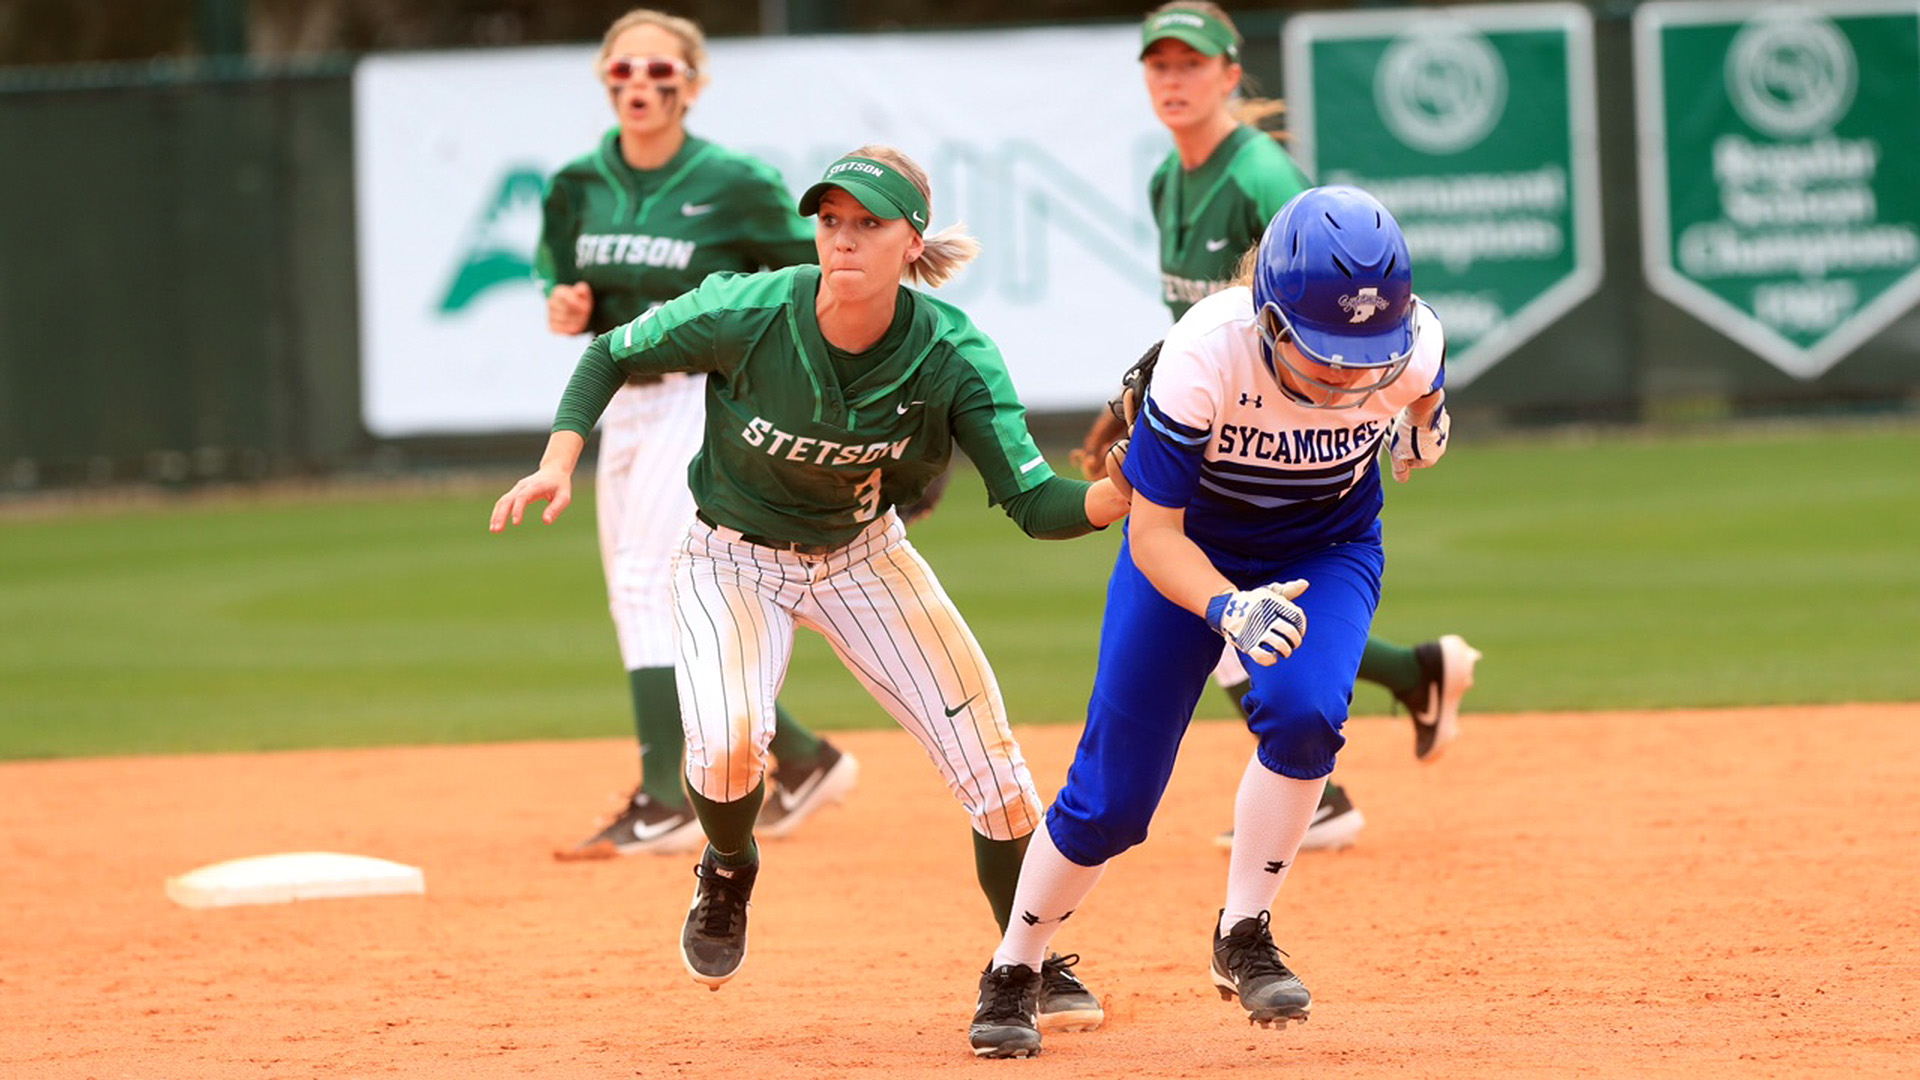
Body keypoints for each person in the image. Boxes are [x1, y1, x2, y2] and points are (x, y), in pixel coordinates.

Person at [493, 145, 1128, 1029]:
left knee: (998, 773)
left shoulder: (953, 353)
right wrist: (558, 460)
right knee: (725, 747)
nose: (844, 238)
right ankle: (727, 866)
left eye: (869, 223)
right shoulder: (750, 310)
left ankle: (1027, 959)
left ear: (913, 242)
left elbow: (1032, 501)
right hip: (728, 557)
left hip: (862, 558)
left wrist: (1117, 495)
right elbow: (610, 350)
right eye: (831, 220)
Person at [968, 184, 1452, 1057]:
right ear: (1268, 320)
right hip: (1189, 552)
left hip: (1327, 548)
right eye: (1322, 352)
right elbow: (1152, 533)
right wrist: (1226, 605)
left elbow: (1424, 391)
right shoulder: (1207, 355)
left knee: (1308, 716)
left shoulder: (1412, 344)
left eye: (1366, 353)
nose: (1347, 376)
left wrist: (1425, 423)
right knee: (1113, 797)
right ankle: (1015, 965)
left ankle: (1244, 934)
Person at [1070, 1, 1480, 852]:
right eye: (1160, 65)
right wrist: (1127, 411)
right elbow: (1193, 334)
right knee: (1218, 599)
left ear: (1230, 73)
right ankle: (1408, 681)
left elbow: (1338, 298)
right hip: (1214, 423)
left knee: (1222, 594)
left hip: (1291, 438)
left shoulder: (1260, 176)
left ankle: (1343, 752)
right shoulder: (1168, 179)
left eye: (1193, 63)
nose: (1173, 79)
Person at [533, 9, 855, 861]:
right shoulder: (576, 183)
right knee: (640, 588)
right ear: (606, 81)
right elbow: (564, 279)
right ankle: (801, 755)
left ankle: (665, 795)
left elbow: (812, 267)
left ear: (693, 84)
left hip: (700, 394)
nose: (641, 84)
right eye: (625, 71)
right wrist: (566, 305)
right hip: (623, 395)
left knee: (648, 583)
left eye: (660, 71)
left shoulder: (734, 181)